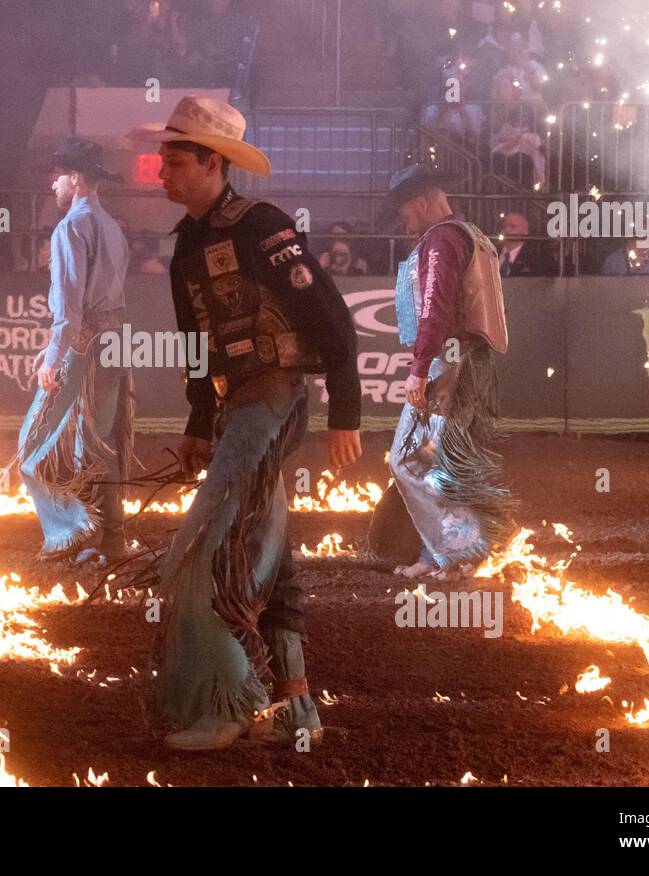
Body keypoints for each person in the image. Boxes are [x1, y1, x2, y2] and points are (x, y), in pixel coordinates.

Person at [128, 96, 362, 750]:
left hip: (272, 402)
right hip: (240, 411)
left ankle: (232, 701)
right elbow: (196, 347)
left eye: (174, 160)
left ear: (213, 162)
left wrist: (346, 409)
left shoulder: (262, 227)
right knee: (273, 553)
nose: (161, 172)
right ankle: (295, 707)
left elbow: (331, 318)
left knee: (200, 545)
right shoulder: (187, 245)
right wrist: (200, 424)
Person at [364, 164, 514, 579]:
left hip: (449, 363)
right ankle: (444, 556)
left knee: (411, 460)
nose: (404, 220)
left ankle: (461, 555)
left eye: (405, 211)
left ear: (421, 202)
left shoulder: (440, 240)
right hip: (471, 362)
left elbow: (435, 307)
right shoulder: (471, 236)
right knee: (436, 459)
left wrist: (420, 368)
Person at [11, 137, 132, 564]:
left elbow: (69, 302)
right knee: (99, 444)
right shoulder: (112, 227)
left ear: (75, 179)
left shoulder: (71, 228)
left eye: (57, 177)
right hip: (113, 341)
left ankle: (70, 531)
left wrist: (55, 353)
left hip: (85, 346)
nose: (53, 185)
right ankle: (109, 538)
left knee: (35, 445)